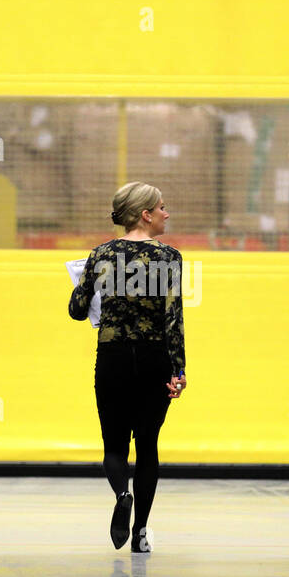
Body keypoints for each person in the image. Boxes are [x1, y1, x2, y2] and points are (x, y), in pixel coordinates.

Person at [68, 182, 187, 553]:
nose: (168, 213)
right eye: (162, 207)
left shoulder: (101, 254)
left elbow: (75, 310)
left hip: (114, 357)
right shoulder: (170, 257)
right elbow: (173, 318)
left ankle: (122, 493)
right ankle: (140, 534)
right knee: (148, 446)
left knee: (114, 447)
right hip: (154, 359)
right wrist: (178, 370)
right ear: (145, 214)